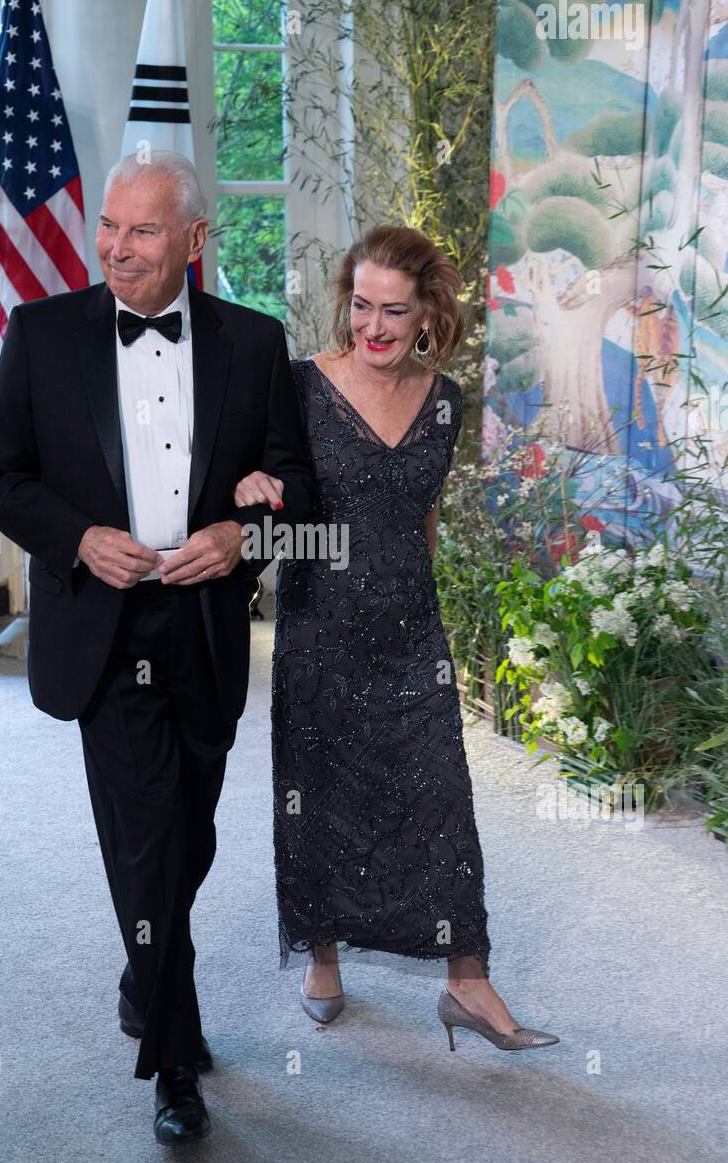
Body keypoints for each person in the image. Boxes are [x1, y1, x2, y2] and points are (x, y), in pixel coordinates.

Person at [0, 151, 315, 1144]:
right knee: (148, 835)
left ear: (195, 240)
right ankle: (173, 1058)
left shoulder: (254, 344)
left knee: (188, 834)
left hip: (203, 622)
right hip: (102, 623)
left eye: (144, 230)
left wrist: (240, 537)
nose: (116, 248)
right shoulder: (42, 337)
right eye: (109, 227)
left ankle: (146, 970)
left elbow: (294, 483)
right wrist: (77, 538)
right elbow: (1, 478)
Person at [234, 225, 559, 1053]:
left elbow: (421, 522)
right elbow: (269, 499)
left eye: (394, 311)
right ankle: (322, 956)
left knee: (440, 798)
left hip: (413, 633)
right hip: (319, 628)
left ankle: (468, 983)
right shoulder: (300, 385)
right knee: (321, 801)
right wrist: (255, 490)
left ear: (427, 315)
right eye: (361, 306)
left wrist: (423, 612)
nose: (374, 327)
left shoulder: (445, 401)